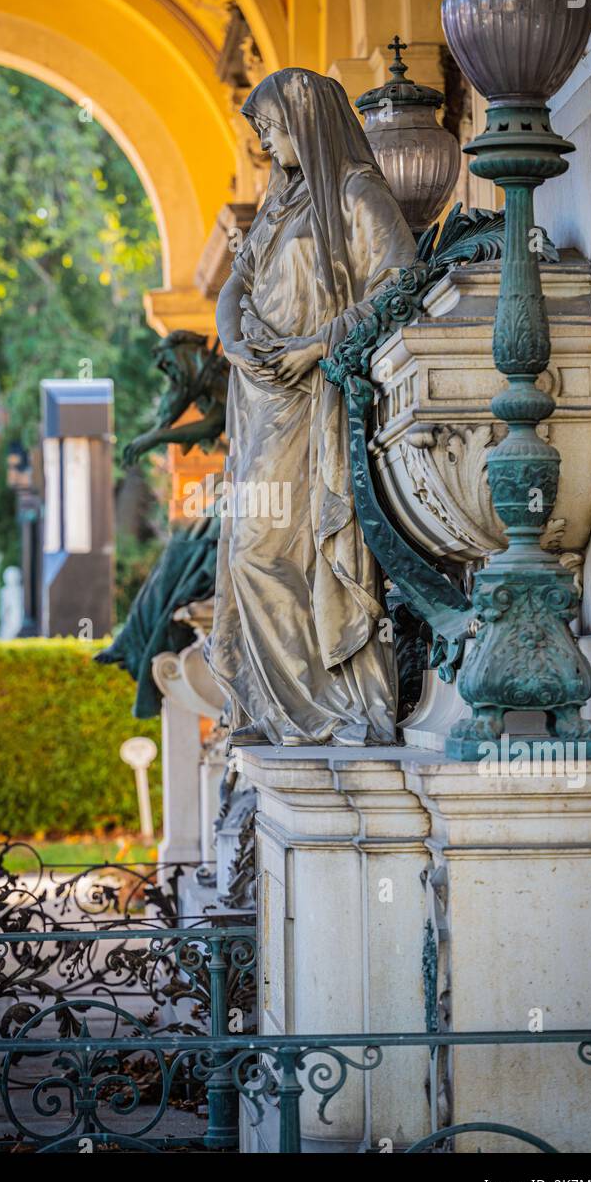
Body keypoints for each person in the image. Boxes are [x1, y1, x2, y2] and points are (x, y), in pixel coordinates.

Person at [207, 67, 416, 746]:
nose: (266, 143)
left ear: (307, 122)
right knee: (250, 548)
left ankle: (322, 708)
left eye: (271, 127)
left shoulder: (355, 193)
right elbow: (235, 286)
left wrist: (319, 345)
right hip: (259, 397)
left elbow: (403, 284)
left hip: (316, 394)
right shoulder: (278, 206)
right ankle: (276, 711)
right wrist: (235, 341)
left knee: (266, 552)